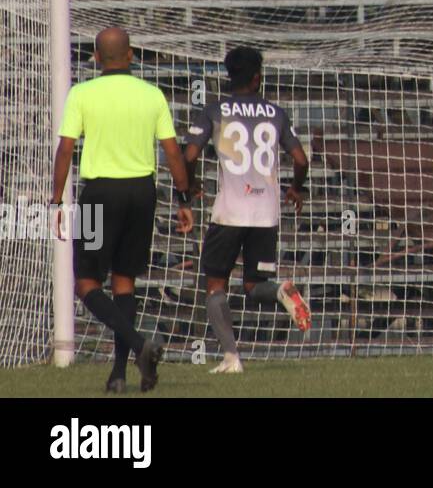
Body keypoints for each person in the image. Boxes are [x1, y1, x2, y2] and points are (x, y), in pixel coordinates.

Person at [50, 26, 193, 393]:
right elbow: (173, 151)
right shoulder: (151, 94)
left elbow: (66, 149)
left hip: (100, 194)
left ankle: (138, 344)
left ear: (96, 57)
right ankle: (119, 375)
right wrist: (183, 199)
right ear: (130, 55)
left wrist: (56, 199)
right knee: (124, 283)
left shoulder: (82, 93)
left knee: (86, 283)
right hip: (142, 193)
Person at [184, 46, 312, 374]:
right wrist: (296, 189)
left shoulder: (214, 111)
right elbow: (300, 160)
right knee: (255, 286)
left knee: (215, 284)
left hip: (229, 211)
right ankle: (281, 290)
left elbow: (188, 156)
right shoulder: (276, 113)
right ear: (257, 77)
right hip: (266, 213)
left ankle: (231, 357)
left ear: (230, 76)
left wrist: (190, 188)